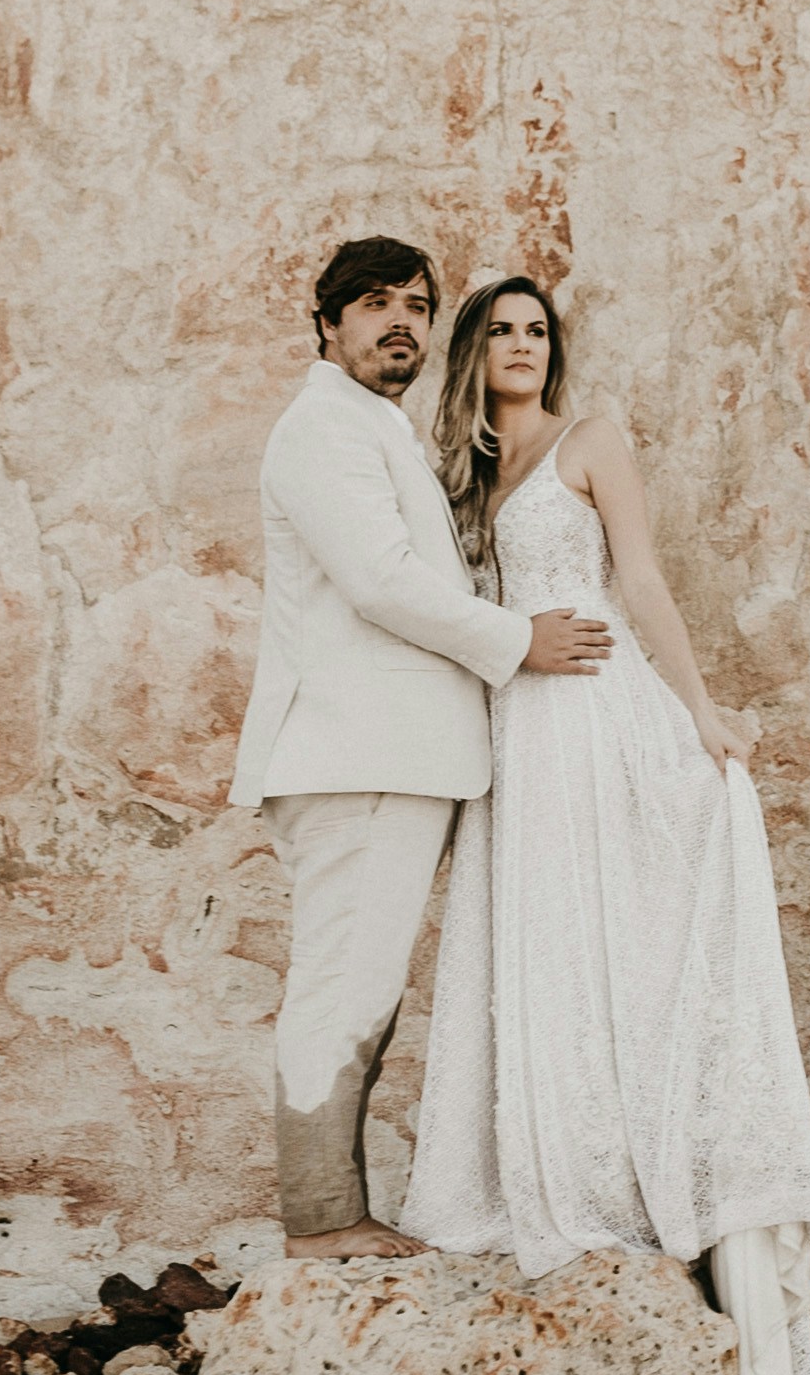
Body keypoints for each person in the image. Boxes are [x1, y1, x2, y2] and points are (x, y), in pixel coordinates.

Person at [399, 275, 810, 1375]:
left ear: (552, 354)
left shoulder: (591, 443)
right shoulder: (458, 470)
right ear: (479, 353)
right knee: (533, 934)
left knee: (627, 927)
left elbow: (639, 576)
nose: (523, 348)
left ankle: (643, 1163)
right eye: (506, 332)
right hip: (517, 734)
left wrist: (705, 710)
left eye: (539, 332)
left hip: (600, 717)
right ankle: (551, 1149)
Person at [231, 237, 612, 1259]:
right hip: (356, 756)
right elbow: (381, 580)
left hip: (390, 759)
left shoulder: (374, 428)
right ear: (325, 322)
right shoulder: (322, 428)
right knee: (341, 985)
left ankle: (335, 1206)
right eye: (371, 303)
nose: (397, 320)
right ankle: (320, 1220)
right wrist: (516, 642)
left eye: (414, 303)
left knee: (365, 986)